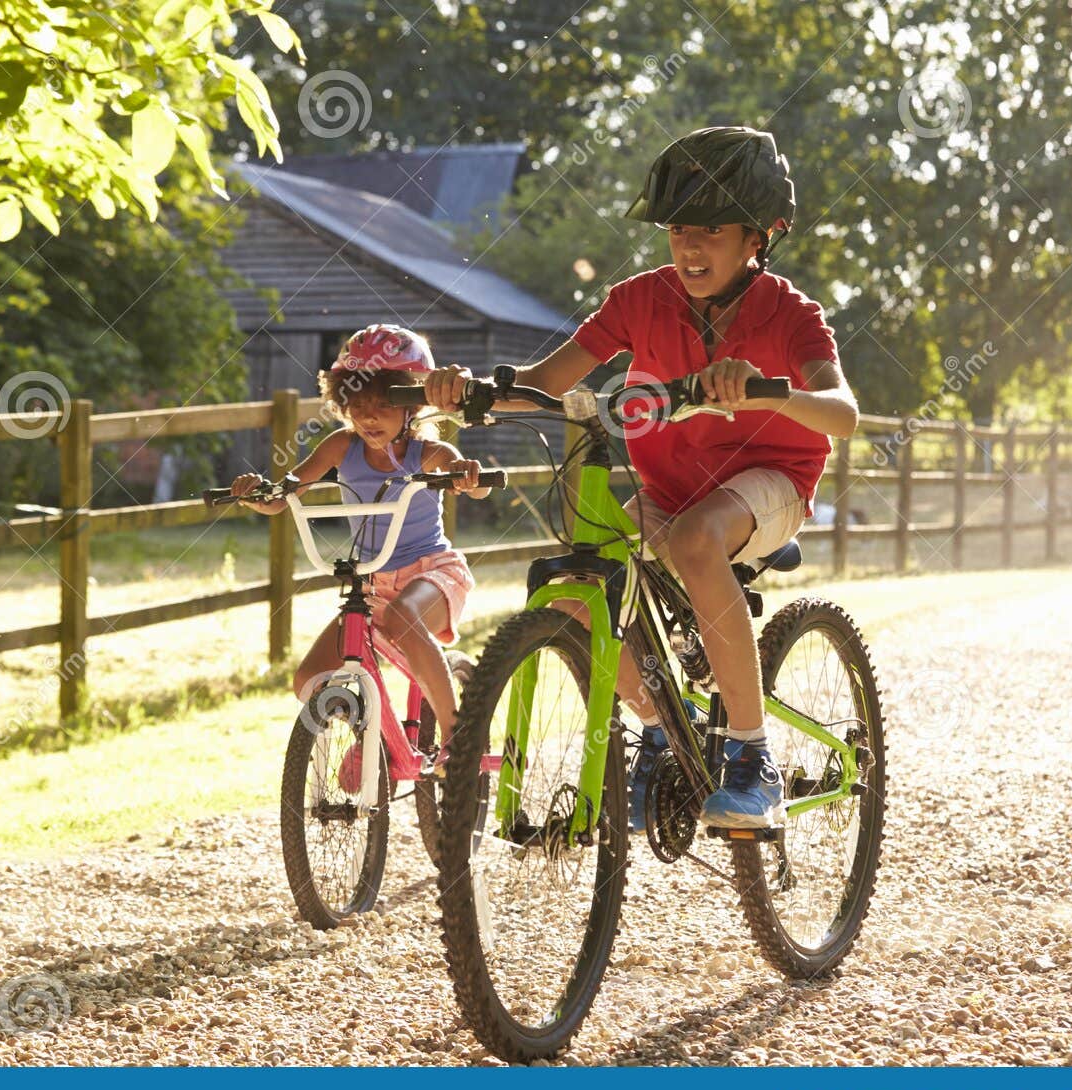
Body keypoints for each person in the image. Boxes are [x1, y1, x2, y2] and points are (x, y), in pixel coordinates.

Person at [423, 126, 860, 829]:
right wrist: (467, 390)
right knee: (574, 597)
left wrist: (766, 391)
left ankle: (753, 759)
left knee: (694, 539)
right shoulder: (637, 301)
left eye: (712, 230)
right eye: (678, 228)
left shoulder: (791, 313)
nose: (689, 246)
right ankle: (664, 723)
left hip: (769, 480)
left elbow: (843, 414)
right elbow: (545, 382)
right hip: (666, 487)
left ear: (758, 237)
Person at [230, 324, 491, 751]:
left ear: (413, 402)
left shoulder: (430, 454)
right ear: (341, 400)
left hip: (432, 575)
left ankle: (458, 741)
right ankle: (377, 739)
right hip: (372, 583)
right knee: (307, 681)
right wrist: (256, 495)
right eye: (357, 402)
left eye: (385, 403)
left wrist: (467, 478)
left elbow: (471, 482)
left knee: (404, 618)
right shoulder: (340, 446)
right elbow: (282, 497)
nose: (369, 415)